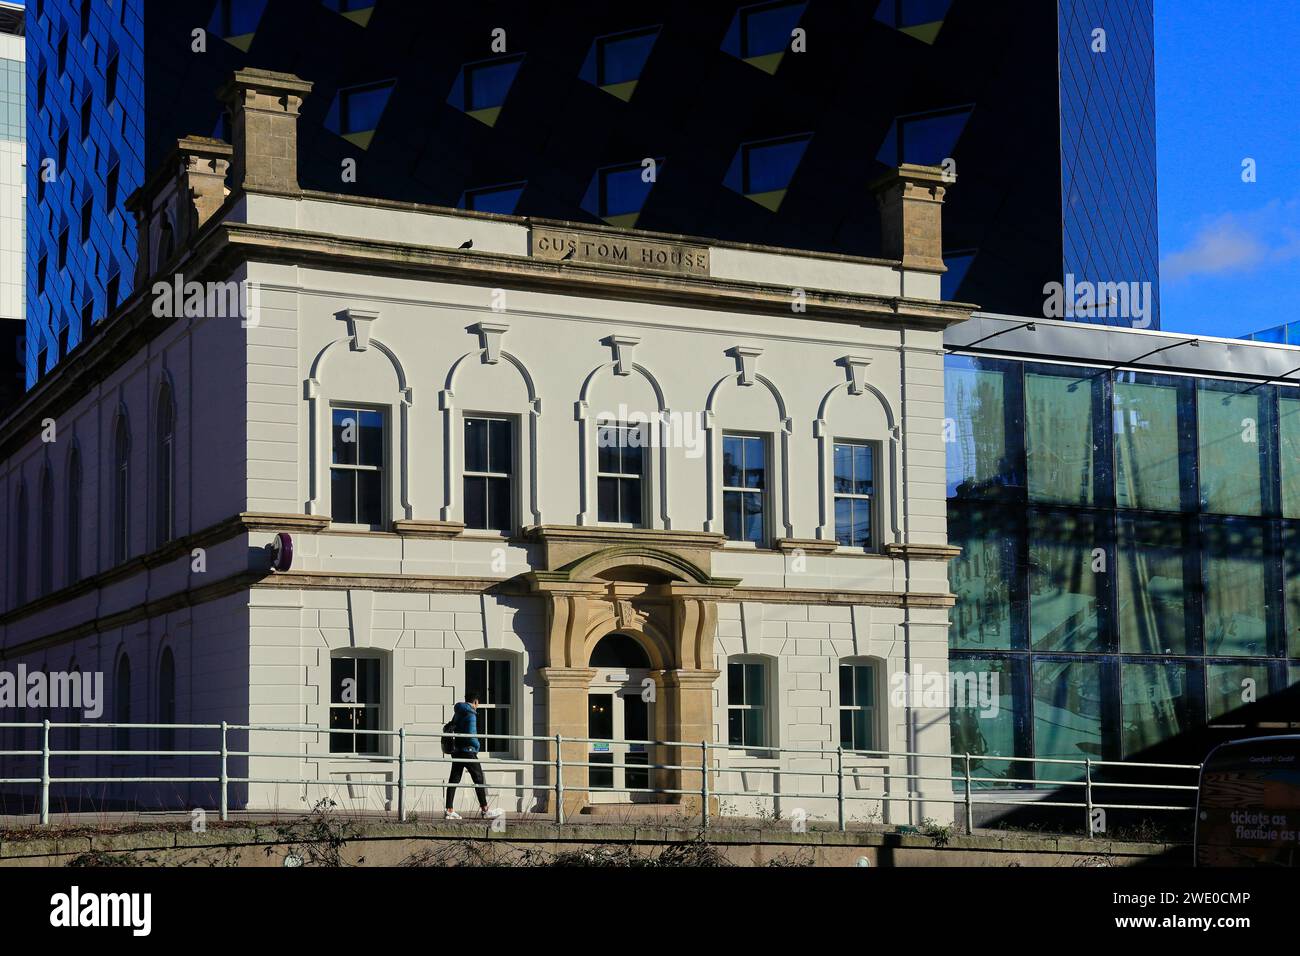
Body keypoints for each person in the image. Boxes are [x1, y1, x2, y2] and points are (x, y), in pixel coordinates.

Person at [445, 692, 493, 819]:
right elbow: (472, 735)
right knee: (478, 778)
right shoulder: (471, 714)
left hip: (457, 751)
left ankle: (449, 810)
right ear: (476, 701)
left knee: (454, 779)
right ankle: (485, 809)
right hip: (468, 751)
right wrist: (476, 747)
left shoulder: (458, 711)